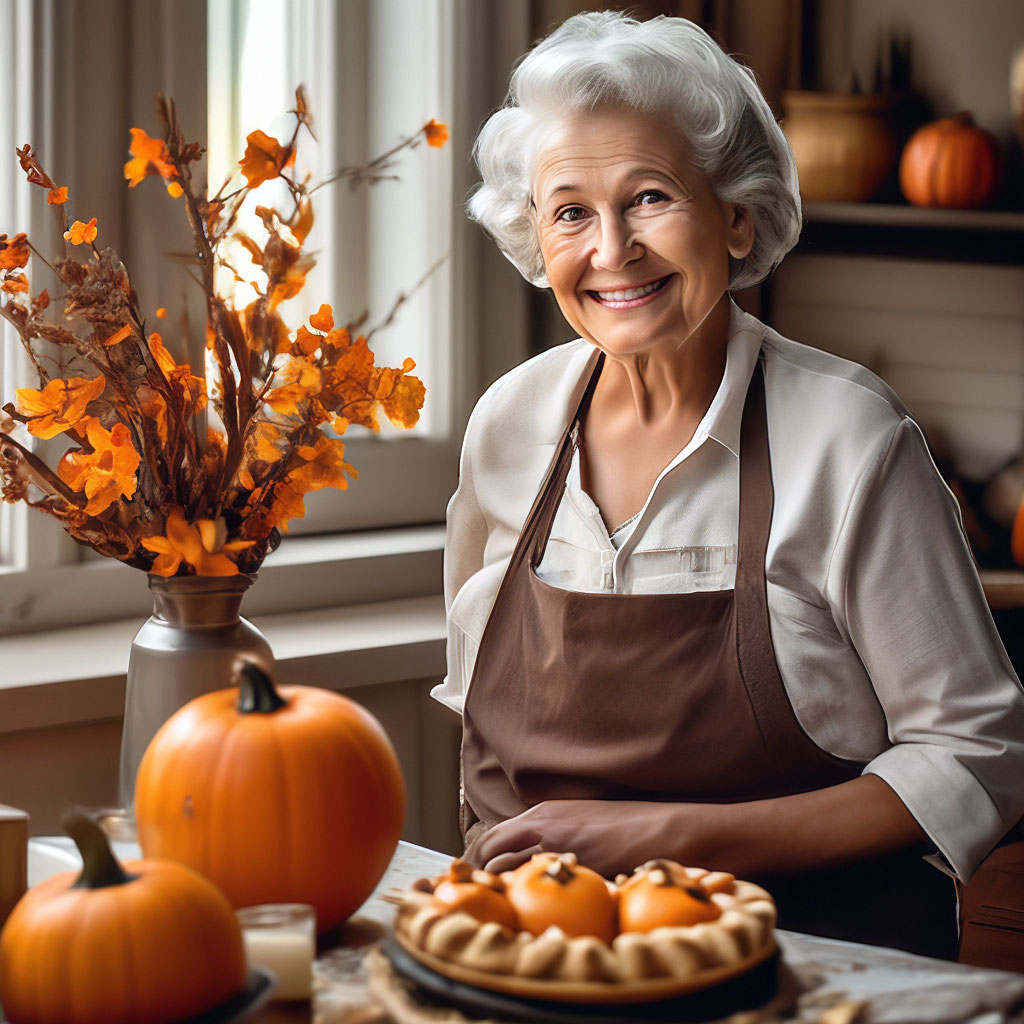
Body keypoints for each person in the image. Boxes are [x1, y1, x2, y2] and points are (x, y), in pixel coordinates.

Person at [431, 10, 1024, 959]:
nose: (612, 248)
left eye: (652, 197)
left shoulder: (845, 436)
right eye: (570, 210)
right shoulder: (509, 426)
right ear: (533, 237)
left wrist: (668, 839)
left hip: (810, 967)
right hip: (544, 965)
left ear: (736, 216)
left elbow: (978, 757)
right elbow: (482, 729)